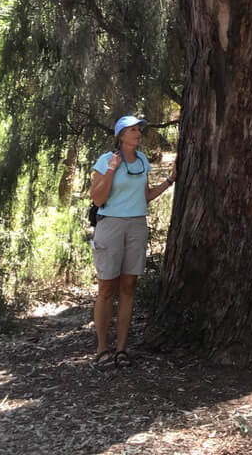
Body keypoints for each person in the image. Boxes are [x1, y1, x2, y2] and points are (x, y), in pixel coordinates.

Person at [89, 115, 176, 368]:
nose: (138, 133)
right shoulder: (107, 160)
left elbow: (145, 196)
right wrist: (111, 170)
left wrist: (170, 180)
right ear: (121, 135)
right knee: (106, 289)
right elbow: (97, 198)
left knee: (128, 287)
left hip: (137, 224)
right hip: (111, 224)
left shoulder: (142, 161)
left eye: (140, 129)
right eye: (133, 129)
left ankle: (121, 349)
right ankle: (102, 348)